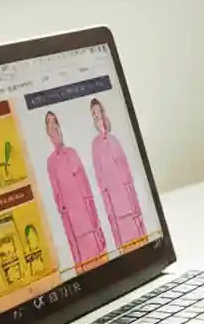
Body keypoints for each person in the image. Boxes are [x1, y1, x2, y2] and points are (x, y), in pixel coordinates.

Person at [44, 110, 106, 268]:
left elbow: (87, 189)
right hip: (74, 226)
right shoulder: (51, 163)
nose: (54, 128)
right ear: (47, 131)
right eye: (49, 124)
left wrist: (96, 225)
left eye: (55, 123)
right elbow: (59, 200)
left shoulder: (72, 153)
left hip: (88, 221)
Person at [88, 98, 147, 248]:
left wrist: (134, 204)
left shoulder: (115, 140)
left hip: (128, 202)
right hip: (115, 207)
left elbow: (127, 173)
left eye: (98, 111)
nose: (97, 115)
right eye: (93, 113)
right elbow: (100, 180)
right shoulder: (95, 146)